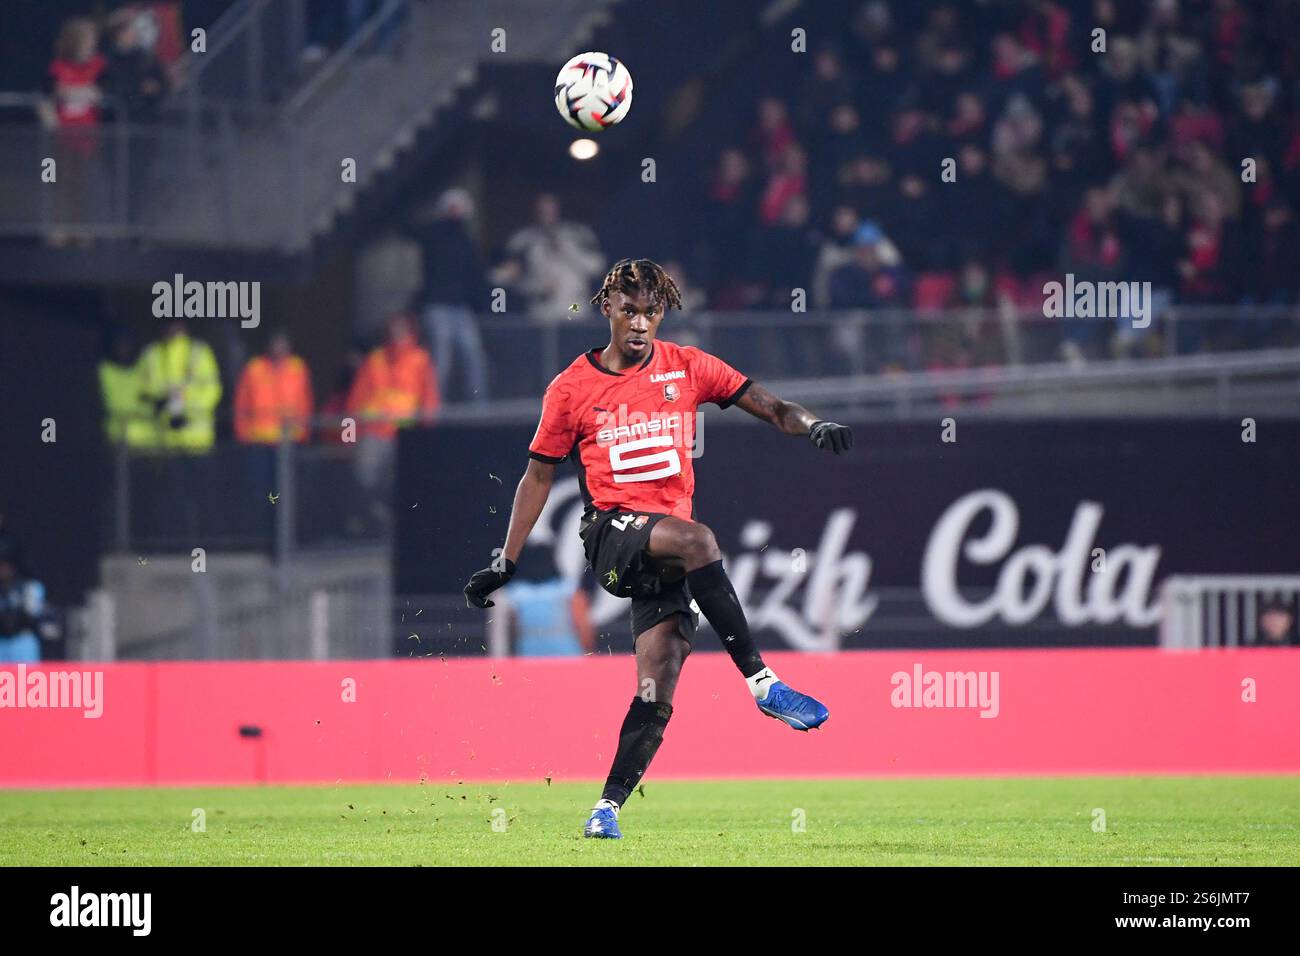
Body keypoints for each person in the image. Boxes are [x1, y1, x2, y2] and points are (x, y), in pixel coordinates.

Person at [463, 258, 851, 839]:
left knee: (658, 681)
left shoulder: (689, 367)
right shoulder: (570, 389)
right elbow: (537, 477)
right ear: (607, 310)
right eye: (629, 311)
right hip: (611, 537)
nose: (640, 323)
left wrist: (813, 424)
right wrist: (506, 560)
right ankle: (764, 684)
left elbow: (772, 408)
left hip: (662, 553)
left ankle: (605, 810)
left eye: (651, 312)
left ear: (661, 312)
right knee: (700, 539)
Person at [411, 188, 490, 404]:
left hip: (461, 308)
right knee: (441, 361)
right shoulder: (432, 235)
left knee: (473, 357)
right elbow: (410, 229)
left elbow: (475, 275)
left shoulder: (467, 240)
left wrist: (479, 303)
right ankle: (434, 411)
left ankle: (479, 410)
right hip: (437, 306)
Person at [137, 319, 222, 454]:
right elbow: (143, 391)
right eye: (168, 324)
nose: (173, 329)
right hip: (163, 439)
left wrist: (188, 413)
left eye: (176, 324)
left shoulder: (198, 351)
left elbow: (212, 390)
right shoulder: (151, 353)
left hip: (196, 439)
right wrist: (161, 402)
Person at [234, 332, 314, 445]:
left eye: (282, 344)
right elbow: (242, 403)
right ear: (269, 346)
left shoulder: (298, 367)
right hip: (259, 437)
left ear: (289, 346)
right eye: (276, 344)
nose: (279, 348)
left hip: (290, 437)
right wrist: (242, 433)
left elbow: (305, 402)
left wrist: (305, 431)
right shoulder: (255, 367)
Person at [98, 330, 156, 449]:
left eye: (127, 345)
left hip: (149, 442)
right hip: (119, 441)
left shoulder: (145, 368)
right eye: (120, 346)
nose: (124, 349)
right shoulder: (104, 372)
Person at [0, 538, 44, 663]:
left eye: (6, 565)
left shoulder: (29, 587)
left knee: (26, 677)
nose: (3, 570)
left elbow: (33, 614)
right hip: (1, 640)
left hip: (22, 640)